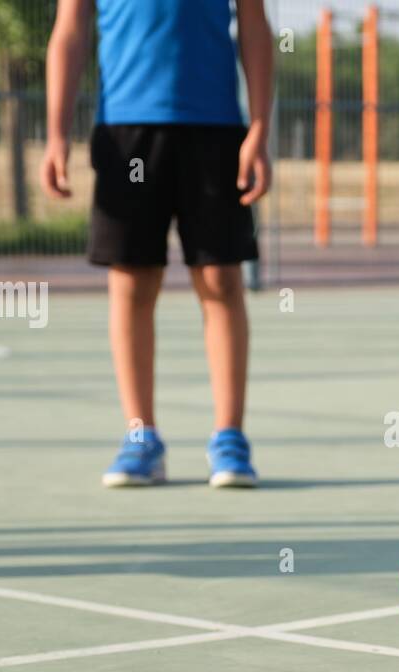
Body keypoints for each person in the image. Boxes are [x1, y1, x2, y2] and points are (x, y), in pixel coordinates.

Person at [40, 0, 273, 488]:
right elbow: (70, 29)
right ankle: (140, 436)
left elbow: (254, 25)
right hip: (127, 129)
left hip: (215, 130)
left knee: (220, 279)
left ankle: (229, 437)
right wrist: (56, 133)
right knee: (131, 282)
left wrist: (259, 129)